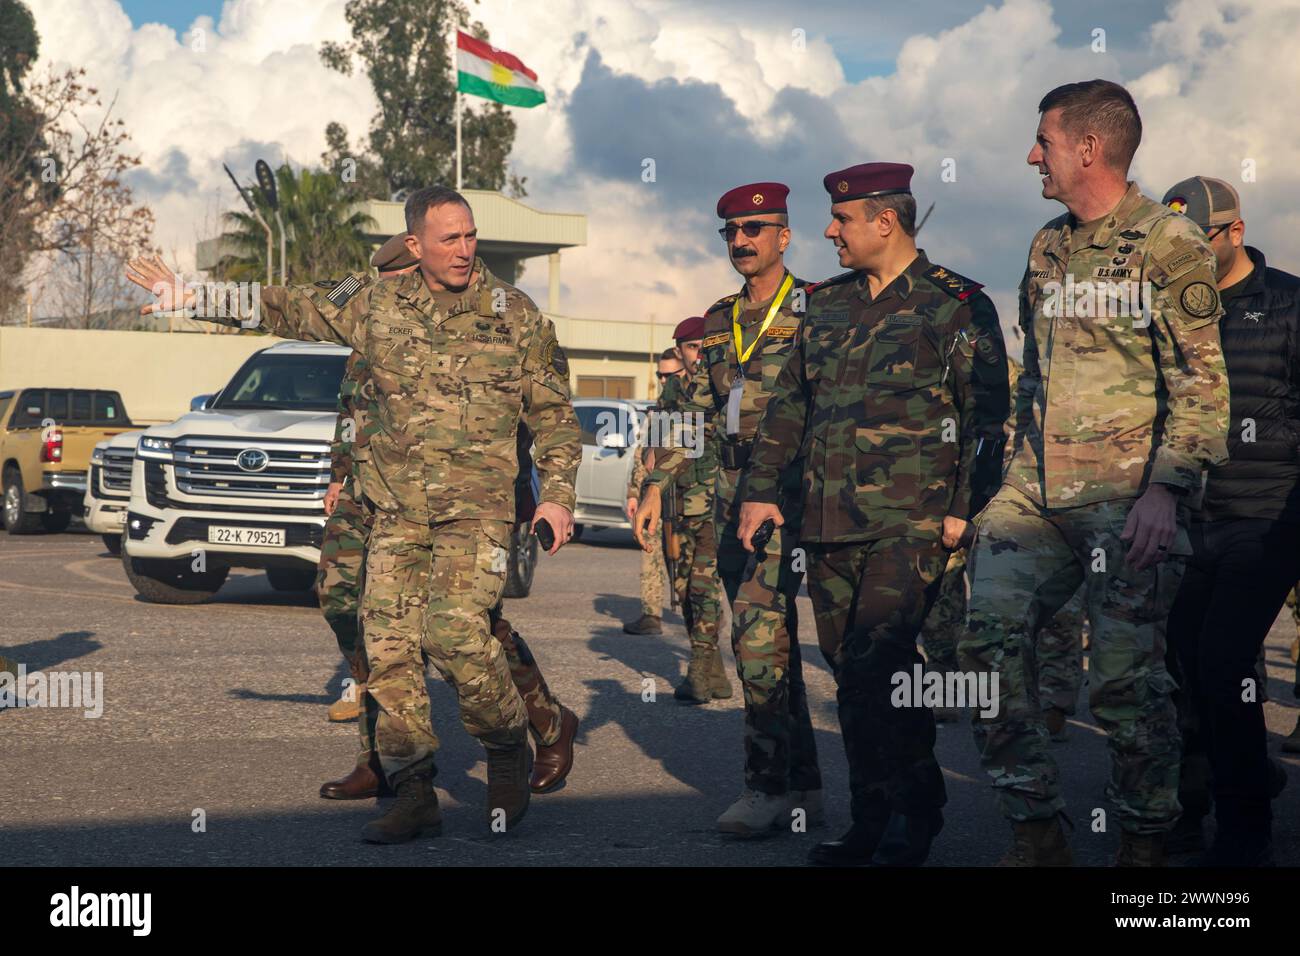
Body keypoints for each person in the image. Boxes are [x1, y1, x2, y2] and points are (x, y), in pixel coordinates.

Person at [127, 185, 582, 843]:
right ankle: (414, 791)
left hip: (476, 516)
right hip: (395, 512)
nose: (463, 249)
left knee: (455, 633)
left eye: (470, 235)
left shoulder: (516, 313)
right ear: (416, 245)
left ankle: (509, 743)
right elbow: (282, 304)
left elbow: (554, 414)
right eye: (448, 239)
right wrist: (192, 296)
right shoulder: (374, 305)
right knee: (388, 648)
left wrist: (558, 495)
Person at [959, 80, 1230, 867]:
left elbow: (1203, 387)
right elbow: (1036, 375)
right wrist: (1011, 479)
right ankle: (1036, 830)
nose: (1031, 154)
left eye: (1043, 139)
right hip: (1036, 494)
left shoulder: (1168, 243)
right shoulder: (1047, 245)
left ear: (1088, 147)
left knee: (1122, 684)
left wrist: (1165, 491)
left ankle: (1145, 845)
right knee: (985, 649)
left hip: (1128, 498)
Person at [736, 164, 1008, 864]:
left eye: (843, 219)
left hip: (911, 524)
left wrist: (962, 511)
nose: (830, 230)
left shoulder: (955, 304)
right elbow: (787, 405)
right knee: (854, 676)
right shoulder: (824, 306)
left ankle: (911, 818)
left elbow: (985, 418)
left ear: (885, 221)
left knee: (878, 661)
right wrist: (762, 487)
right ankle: (871, 819)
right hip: (827, 525)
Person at [635, 182, 824, 836]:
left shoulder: (820, 310)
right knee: (763, 643)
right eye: (731, 232)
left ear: (783, 235)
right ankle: (797, 784)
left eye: (755, 228)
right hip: (737, 499)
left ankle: (767, 786)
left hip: (807, 497)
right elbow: (689, 411)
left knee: (762, 640)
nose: (741, 241)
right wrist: (658, 482)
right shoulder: (718, 321)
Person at [1161, 175, 1300, 865]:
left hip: (1266, 516)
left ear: (1234, 234)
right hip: (1189, 518)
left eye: (1196, 244)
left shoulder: (1290, 305)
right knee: (1184, 665)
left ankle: (1246, 832)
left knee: (1221, 663)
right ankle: (1241, 779)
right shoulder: (1169, 311)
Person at [919, 355, 1088, 739]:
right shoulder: (938, 370)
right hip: (955, 497)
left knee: (1052, 608)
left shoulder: (1024, 377)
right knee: (941, 600)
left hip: (1021, 504)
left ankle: (1053, 702)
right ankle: (947, 685)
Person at [622, 349, 683, 636]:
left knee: (688, 557)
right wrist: (635, 492)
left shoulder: (696, 400)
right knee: (650, 547)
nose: (663, 380)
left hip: (687, 495)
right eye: (660, 375)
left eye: (670, 375)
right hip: (656, 494)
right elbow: (643, 453)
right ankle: (651, 614)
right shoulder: (661, 406)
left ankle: (702, 617)